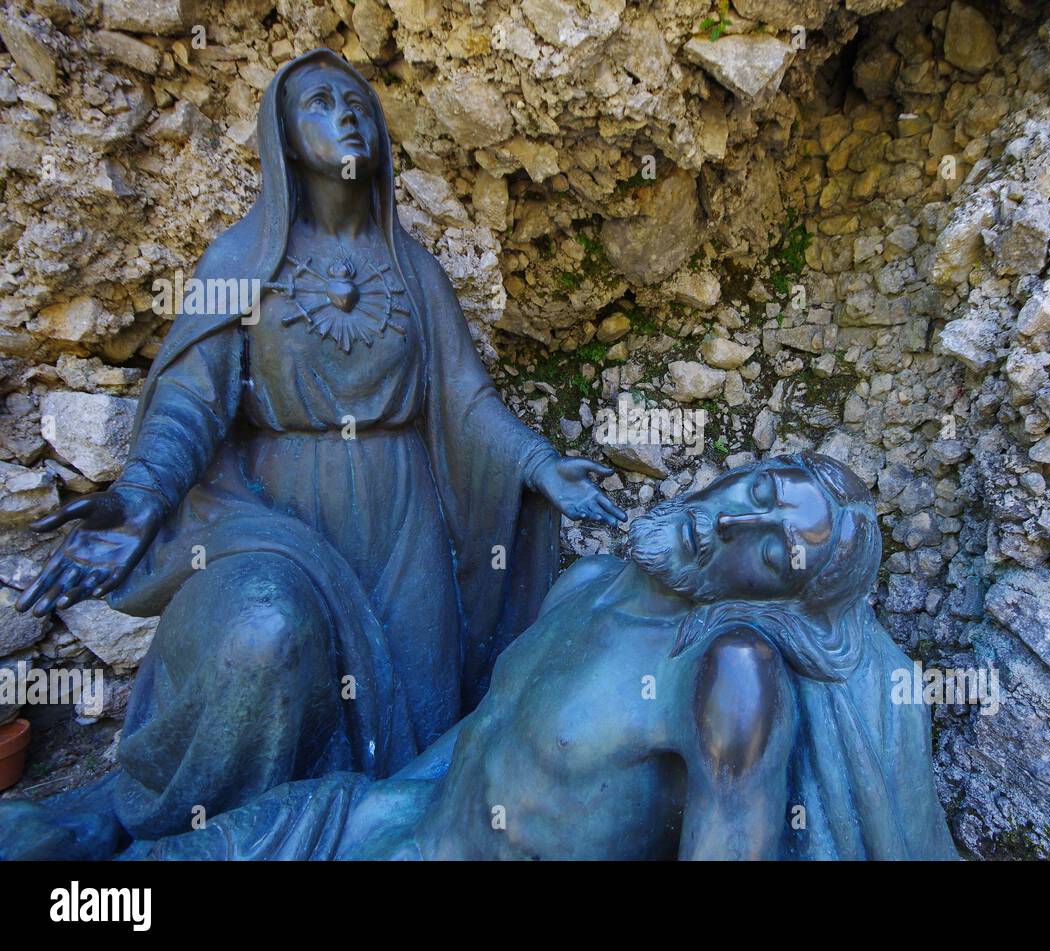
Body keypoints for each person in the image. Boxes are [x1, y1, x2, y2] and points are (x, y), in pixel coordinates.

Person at [1, 49, 624, 859]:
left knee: (412, 727)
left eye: (357, 99)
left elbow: (466, 402)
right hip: (279, 510)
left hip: (405, 524)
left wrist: (542, 463)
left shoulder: (414, 270)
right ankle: (206, 838)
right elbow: (190, 405)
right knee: (264, 633)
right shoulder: (241, 262)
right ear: (285, 140)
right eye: (321, 103)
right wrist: (137, 500)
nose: (348, 113)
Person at [126, 453, 960, 861]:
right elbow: (479, 743)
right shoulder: (592, 580)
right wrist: (356, 817)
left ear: (778, 598)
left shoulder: (729, 672)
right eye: (765, 491)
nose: (736, 522)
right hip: (367, 829)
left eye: (777, 555)